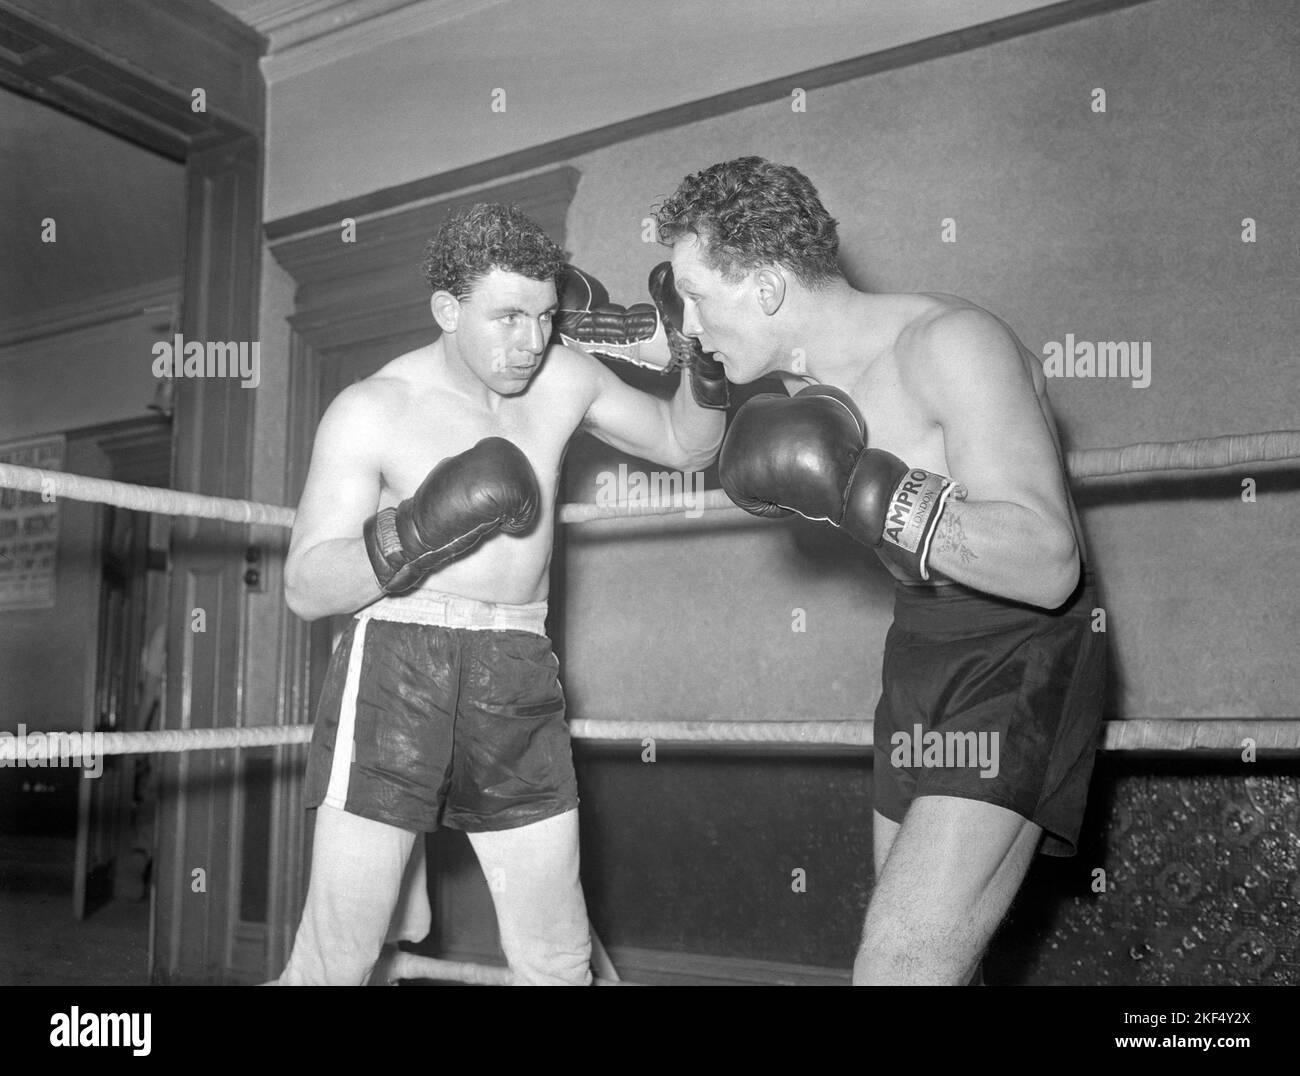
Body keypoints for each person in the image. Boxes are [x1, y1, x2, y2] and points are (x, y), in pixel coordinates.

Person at [655, 157, 1106, 986]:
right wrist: (674, 348)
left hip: (1020, 657)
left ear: (764, 287)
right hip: (918, 651)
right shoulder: (796, 373)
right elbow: (683, 424)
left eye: (696, 297)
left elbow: (1050, 564)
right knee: (928, 965)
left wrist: (877, 493)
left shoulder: (951, 344)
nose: (687, 321)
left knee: (898, 969)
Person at [275, 202, 725, 985]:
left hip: (516, 661)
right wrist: (415, 530)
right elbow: (306, 586)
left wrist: (700, 356)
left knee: (556, 954)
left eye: (547, 315)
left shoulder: (565, 377)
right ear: (448, 310)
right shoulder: (373, 407)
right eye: (507, 317)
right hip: (397, 665)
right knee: (338, 954)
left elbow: (688, 445)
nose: (530, 342)